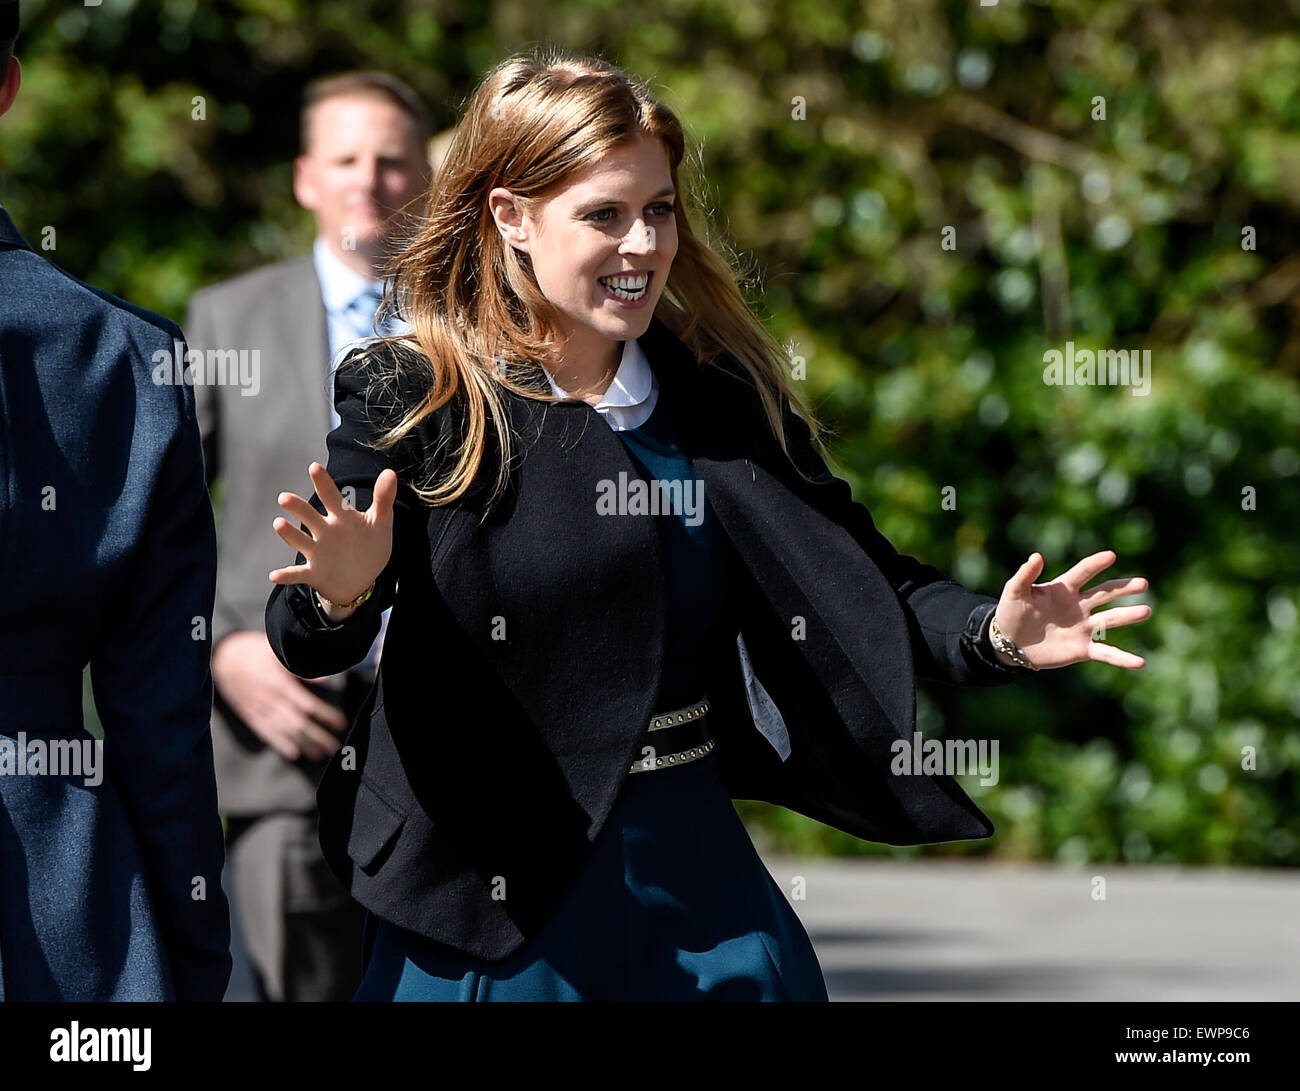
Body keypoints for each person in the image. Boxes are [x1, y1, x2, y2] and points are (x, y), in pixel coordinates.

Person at [263, 49, 1153, 1002]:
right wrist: (345, 589)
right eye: (603, 214)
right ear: (512, 218)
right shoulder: (416, 393)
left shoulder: (715, 393)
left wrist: (994, 633)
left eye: (658, 209)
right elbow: (307, 635)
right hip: (495, 893)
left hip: (691, 865)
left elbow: (862, 577)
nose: (643, 243)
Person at [0, 0, 231, 1001]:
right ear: (7, 90)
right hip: (70, 918)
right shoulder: (128, 359)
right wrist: (189, 952)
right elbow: (159, 723)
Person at [184, 71, 431, 1001]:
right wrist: (221, 642)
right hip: (282, 735)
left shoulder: (476, 325)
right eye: (346, 158)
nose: (369, 179)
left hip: (445, 732)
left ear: (424, 178)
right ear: (305, 179)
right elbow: (159, 521)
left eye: (391, 159)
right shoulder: (225, 321)